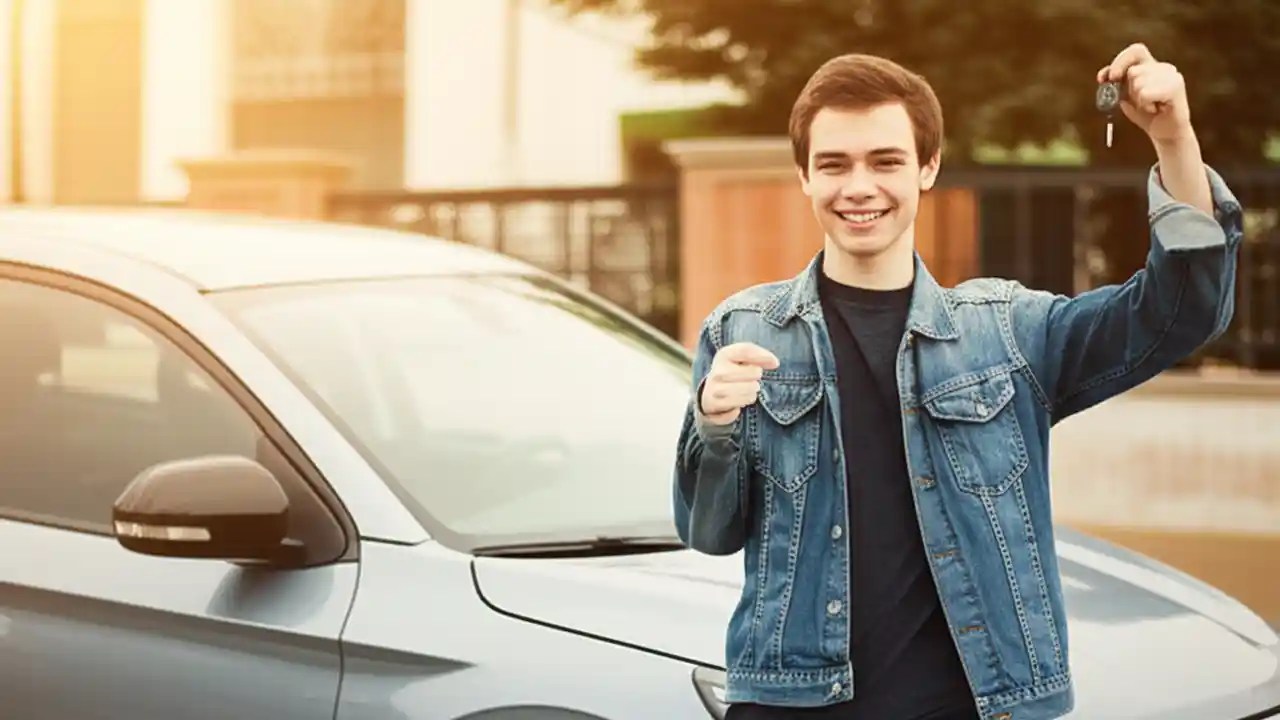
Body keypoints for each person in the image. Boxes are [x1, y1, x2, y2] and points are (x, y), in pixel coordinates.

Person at [671, 43, 1241, 720]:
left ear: (928, 168)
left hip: (978, 705)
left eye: (886, 161)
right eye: (834, 164)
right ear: (804, 177)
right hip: (793, 705)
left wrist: (1173, 136)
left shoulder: (1007, 334)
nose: (859, 187)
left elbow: (1180, 313)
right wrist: (715, 424)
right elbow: (709, 531)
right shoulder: (743, 331)